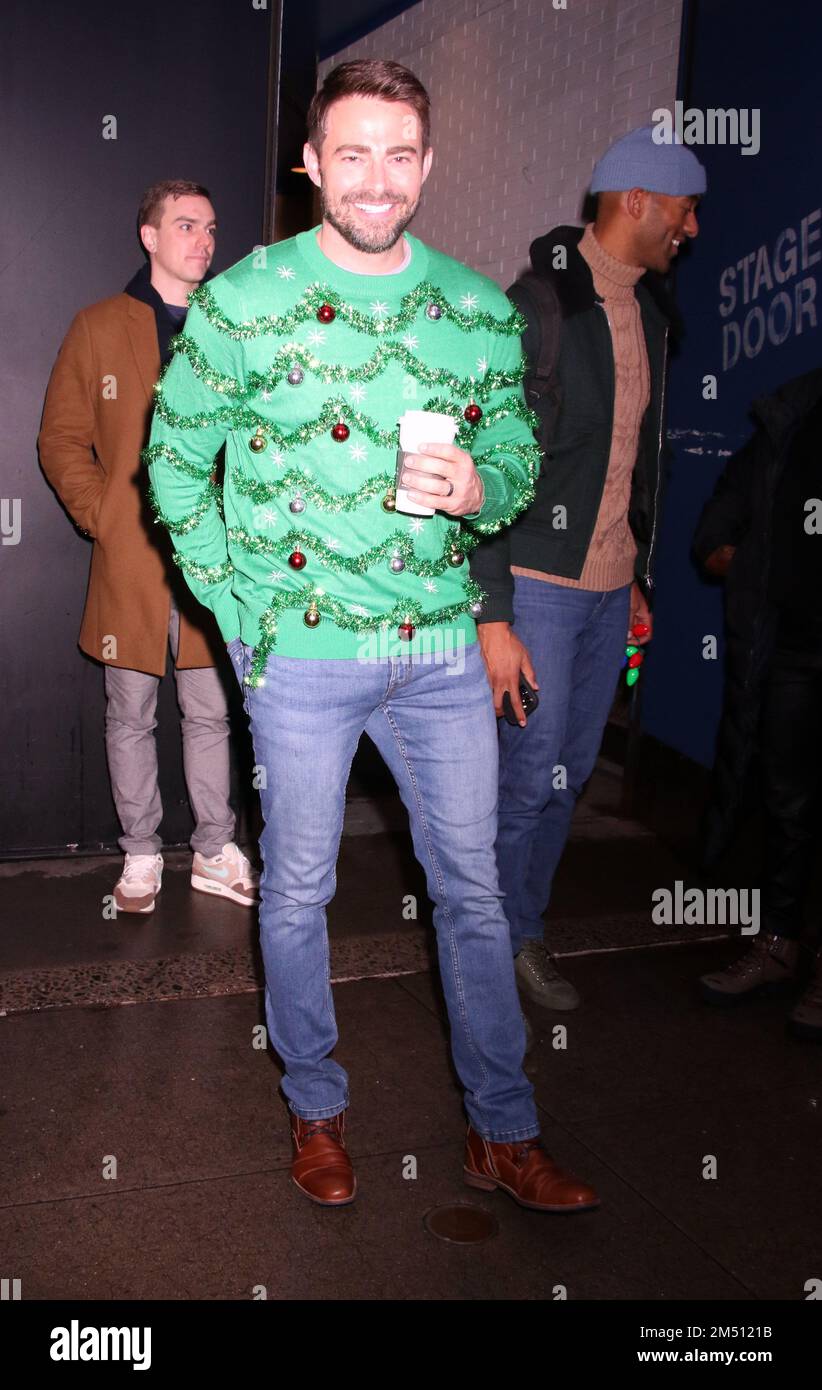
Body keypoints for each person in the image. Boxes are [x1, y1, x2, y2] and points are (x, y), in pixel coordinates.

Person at [146, 60, 600, 1212]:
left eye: (402, 154)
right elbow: (172, 466)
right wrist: (243, 619)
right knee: (297, 890)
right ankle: (316, 1106)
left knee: (474, 894)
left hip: (443, 648)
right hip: (300, 653)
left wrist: (475, 490)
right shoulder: (243, 302)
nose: (378, 180)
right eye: (352, 153)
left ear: (428, 166)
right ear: (310, 165)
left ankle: (503, 1128)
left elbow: (514, 465)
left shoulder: (480, 314)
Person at [471, 126, 705, 1011]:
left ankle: (522, 928)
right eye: (685, 210)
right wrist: (493, 617)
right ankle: (486, 943)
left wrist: (634, 569)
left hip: (608, 591)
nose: (691, 228)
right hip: (536, 586)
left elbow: (633, 463)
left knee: (567, 775)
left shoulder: (649, 312)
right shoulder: (536, 308)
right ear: (635, 201)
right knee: (526, 777)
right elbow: (487, 467)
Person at [39, 181, 258, 914]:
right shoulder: (98, 324)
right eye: (187, 225)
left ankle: (213, 849)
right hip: (131, 556)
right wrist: (103, 513)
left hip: (213, 560)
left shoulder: (233, 328)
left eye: (211, 227)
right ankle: (139, 854)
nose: (204, 240)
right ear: (149, 234)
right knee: (129, 713)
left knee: (211, 711)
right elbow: (61, 438)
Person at [694, 368, 822, 1039]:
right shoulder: (793, 415)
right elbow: (716, 531)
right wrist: (740, 557)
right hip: (797, 648)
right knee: (789, 804)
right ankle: (778, 947)